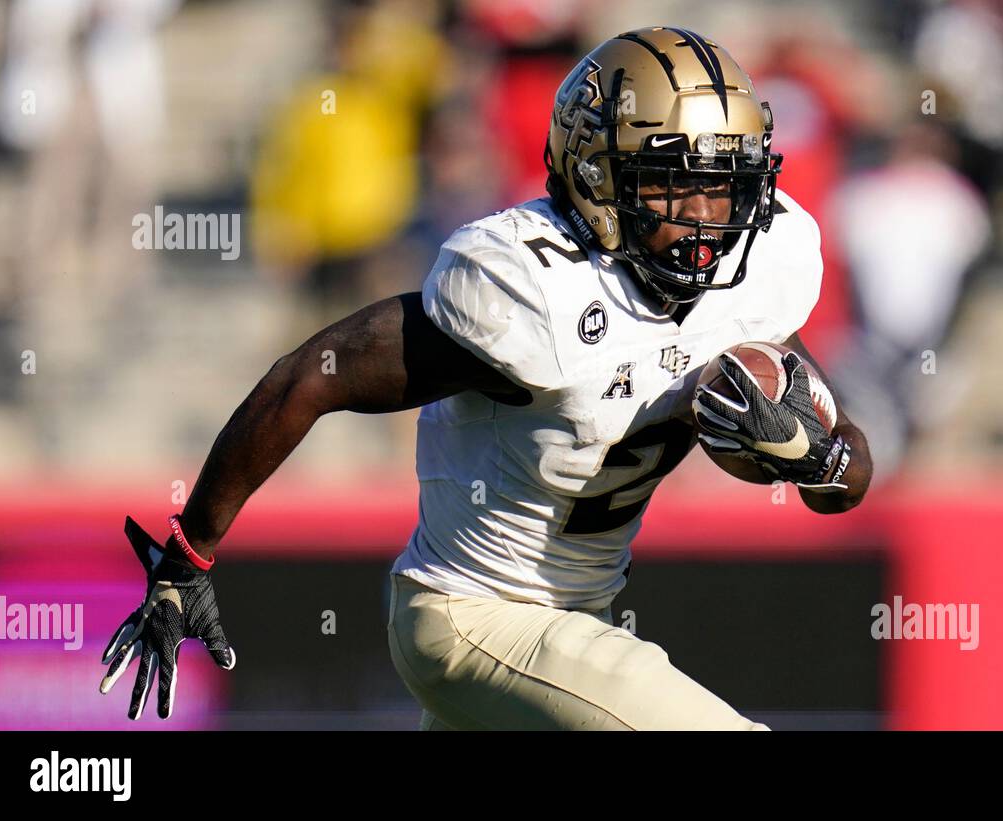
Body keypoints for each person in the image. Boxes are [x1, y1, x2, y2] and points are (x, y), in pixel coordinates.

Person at [98, 27, 872, 731]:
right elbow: (313, 373)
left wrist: (815, 456)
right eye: (676, 183)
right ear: (600, 177)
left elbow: (848, 469)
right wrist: (187, 554)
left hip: (580, 619)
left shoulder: (751, 281)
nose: (708, 216)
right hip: (472, 615)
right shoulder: (533, 289)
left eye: (726, 184)